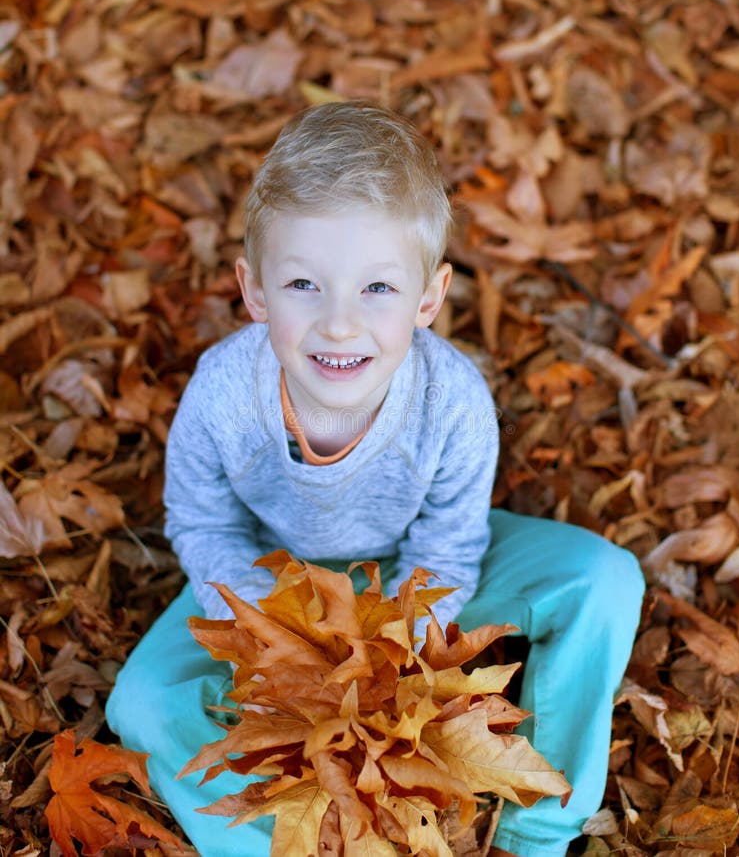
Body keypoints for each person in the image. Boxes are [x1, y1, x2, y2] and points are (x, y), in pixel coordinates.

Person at [106, 101, 644, 857]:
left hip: (412, 573)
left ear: (429, 297)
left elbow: (452, 543)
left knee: (605, 580)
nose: (338, 323)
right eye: (303, 285)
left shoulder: (451, 401)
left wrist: (387, 658)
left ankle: (540, 830)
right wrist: (284, 646)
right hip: (275, 578)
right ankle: (277, 844)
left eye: (377, 289)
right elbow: (203, 524)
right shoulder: (224, 393)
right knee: (142, 703)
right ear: (254, 289)